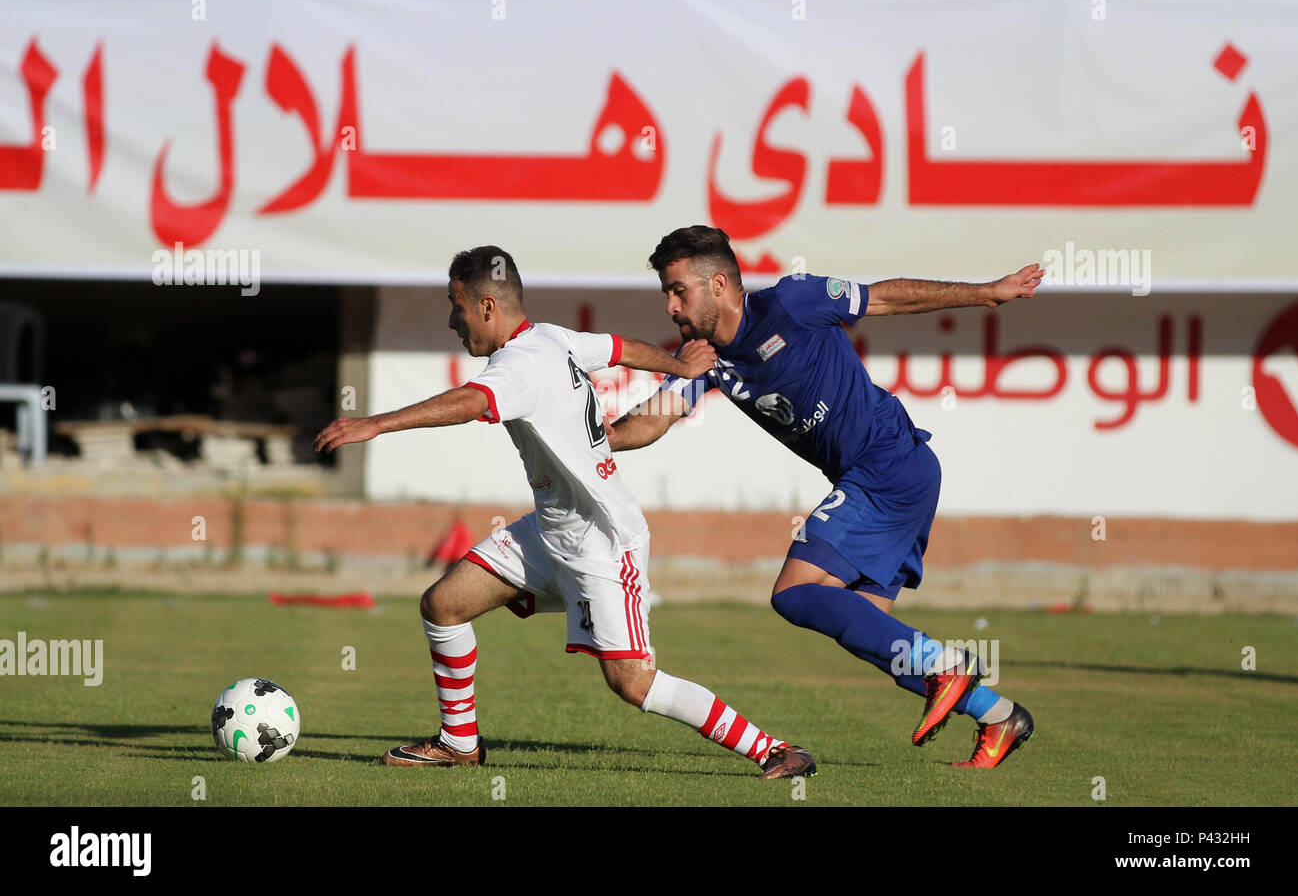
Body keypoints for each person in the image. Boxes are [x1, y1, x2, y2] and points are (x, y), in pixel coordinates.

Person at [314, 245, 815, 779]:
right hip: (550, 532)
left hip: (602, 541)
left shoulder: (517, 367)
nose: (452, 321)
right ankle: (459, 743)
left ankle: (774, 749)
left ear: (486, 307)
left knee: (633, 684)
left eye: (456, 307)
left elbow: (470, 402)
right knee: (443, 604)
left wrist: (375, 425)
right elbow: (622, 348)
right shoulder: (553, 337)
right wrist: (678, 363)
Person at [608, 226, 1041, 768]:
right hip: (887, 478)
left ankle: (948, 666)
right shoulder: (703, 357)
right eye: (667, 294)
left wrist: (986, 292)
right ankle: (1000, 716)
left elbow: (882, 296)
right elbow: (653, 421)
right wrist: (590, 437)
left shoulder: (793, 301)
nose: (671, 307)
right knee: (869, 630)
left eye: (679, 291)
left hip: (888, 463)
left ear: (719, 284)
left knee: (793, 593)